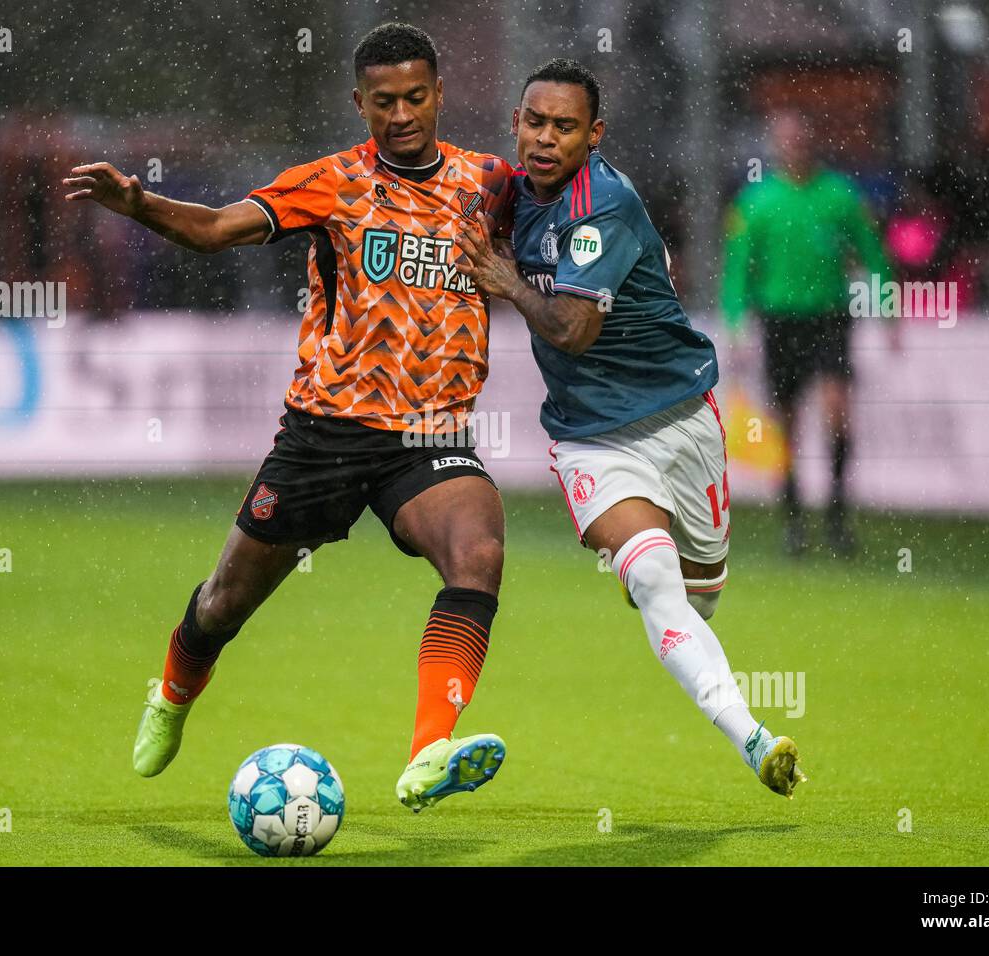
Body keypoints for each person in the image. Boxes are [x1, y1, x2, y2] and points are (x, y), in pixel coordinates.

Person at [62, 22, 514, 812]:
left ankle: (428, 751)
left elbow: (564, 224)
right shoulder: (330, 183)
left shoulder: (491, 184)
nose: (401, 115)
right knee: (223, 603)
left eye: (415, 97)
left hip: (429, 435)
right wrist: (138, 204)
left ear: (440, 94)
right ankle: (172, 694)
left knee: (478, 552)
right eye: (383, 101)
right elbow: (213, 229)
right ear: (359, 103)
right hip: (324, 434)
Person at [455, 59, 804, 798]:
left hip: (681, 419)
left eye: (565, 126)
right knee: (652, 580)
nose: (545, 138)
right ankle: (753, 737)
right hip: (590, 436)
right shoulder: (507, 195)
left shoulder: (603, 204)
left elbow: (573, 329)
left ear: (595, 135)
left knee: (701, 597)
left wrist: (508, 282)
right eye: (534, 122)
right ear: (515, 122)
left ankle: (656, 573)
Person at [721, 109, 892, 557]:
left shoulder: (840, 195)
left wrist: (888, 308)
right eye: (785, 139)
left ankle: (836, 513)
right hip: (779, 319)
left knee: (837, 409)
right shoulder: (756, 202)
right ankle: (794, 517)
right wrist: (735, 323)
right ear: (775, 146)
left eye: (799, 137)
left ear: (811, 141)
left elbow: (873, 253)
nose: (793, 145)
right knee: (788, 422)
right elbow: (738, 270)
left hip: (829, 316)